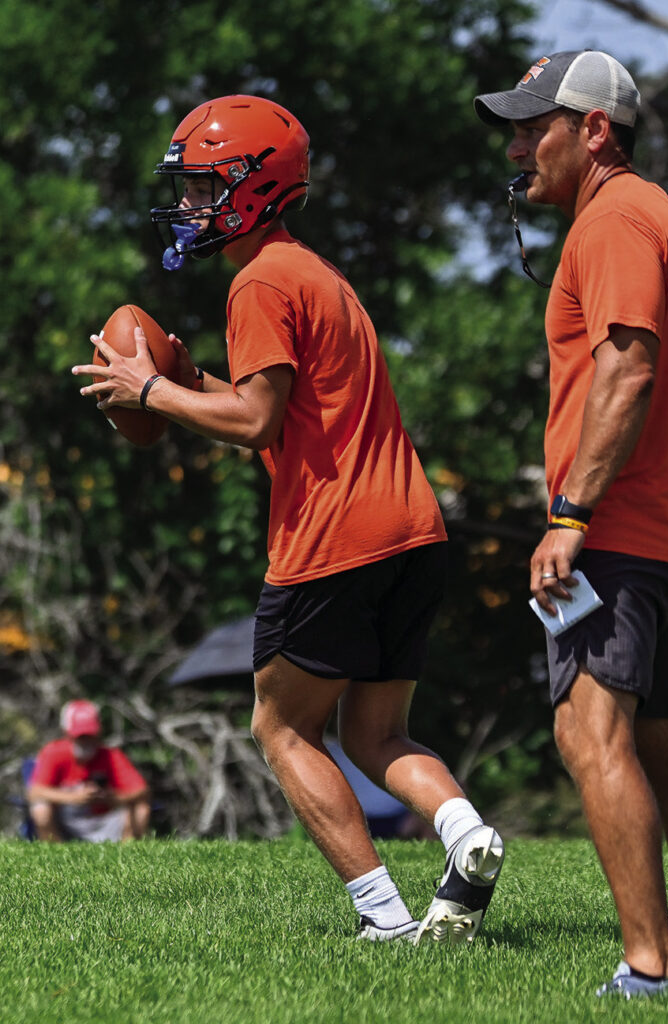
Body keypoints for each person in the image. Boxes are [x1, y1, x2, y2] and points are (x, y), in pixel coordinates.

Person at [71, 96, 502, 943]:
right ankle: (465, 831)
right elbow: (281, 417)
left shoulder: (258, 278)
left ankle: (383, 920)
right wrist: (194, 386)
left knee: (280, 726)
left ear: (252, 187)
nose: (190, 206)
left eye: (202, 189)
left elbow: (256, 423)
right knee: (377, 731)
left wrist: (149, 390)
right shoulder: (313, 273)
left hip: (333, 536)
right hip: (411, 529)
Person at [475, 51, 668, 997]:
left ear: (596, 130)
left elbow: (629, 365)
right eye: (514, 129)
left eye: (538, 126)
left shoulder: (609, 223)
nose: (519, 145)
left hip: (611, 531)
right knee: (662, 735)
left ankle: (652, 970)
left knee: (589, 732)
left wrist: (571, 511)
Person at [27, 699, 151, 842]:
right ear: (66, 733)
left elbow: (142, 791)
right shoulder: (53, 752)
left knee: (140, 807)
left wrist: (110, 798)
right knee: (40, 808)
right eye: (80, 736)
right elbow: (34, 792)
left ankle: (129, 853)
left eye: (90, 735)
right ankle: (53, 852)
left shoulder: (111, 755)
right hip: (66, 822)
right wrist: (74, 797)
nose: (86, 740)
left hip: (104, 819)